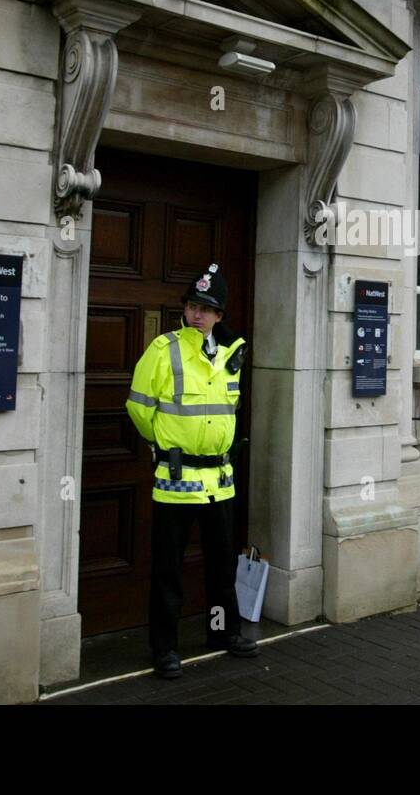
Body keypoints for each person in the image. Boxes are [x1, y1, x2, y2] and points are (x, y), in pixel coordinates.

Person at [125, 262, 259, 679]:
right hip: (176, 480)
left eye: (207, 308)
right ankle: (165, 649)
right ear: (184, 310)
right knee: (169, 570)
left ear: (220, 315)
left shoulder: (230, 354)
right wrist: (164, 446)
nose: (197, 314)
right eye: (192, 306)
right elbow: (139, 408)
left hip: (219, 481)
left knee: (221, 567)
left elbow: (229, 410)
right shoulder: (164, 350)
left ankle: (222, 632)